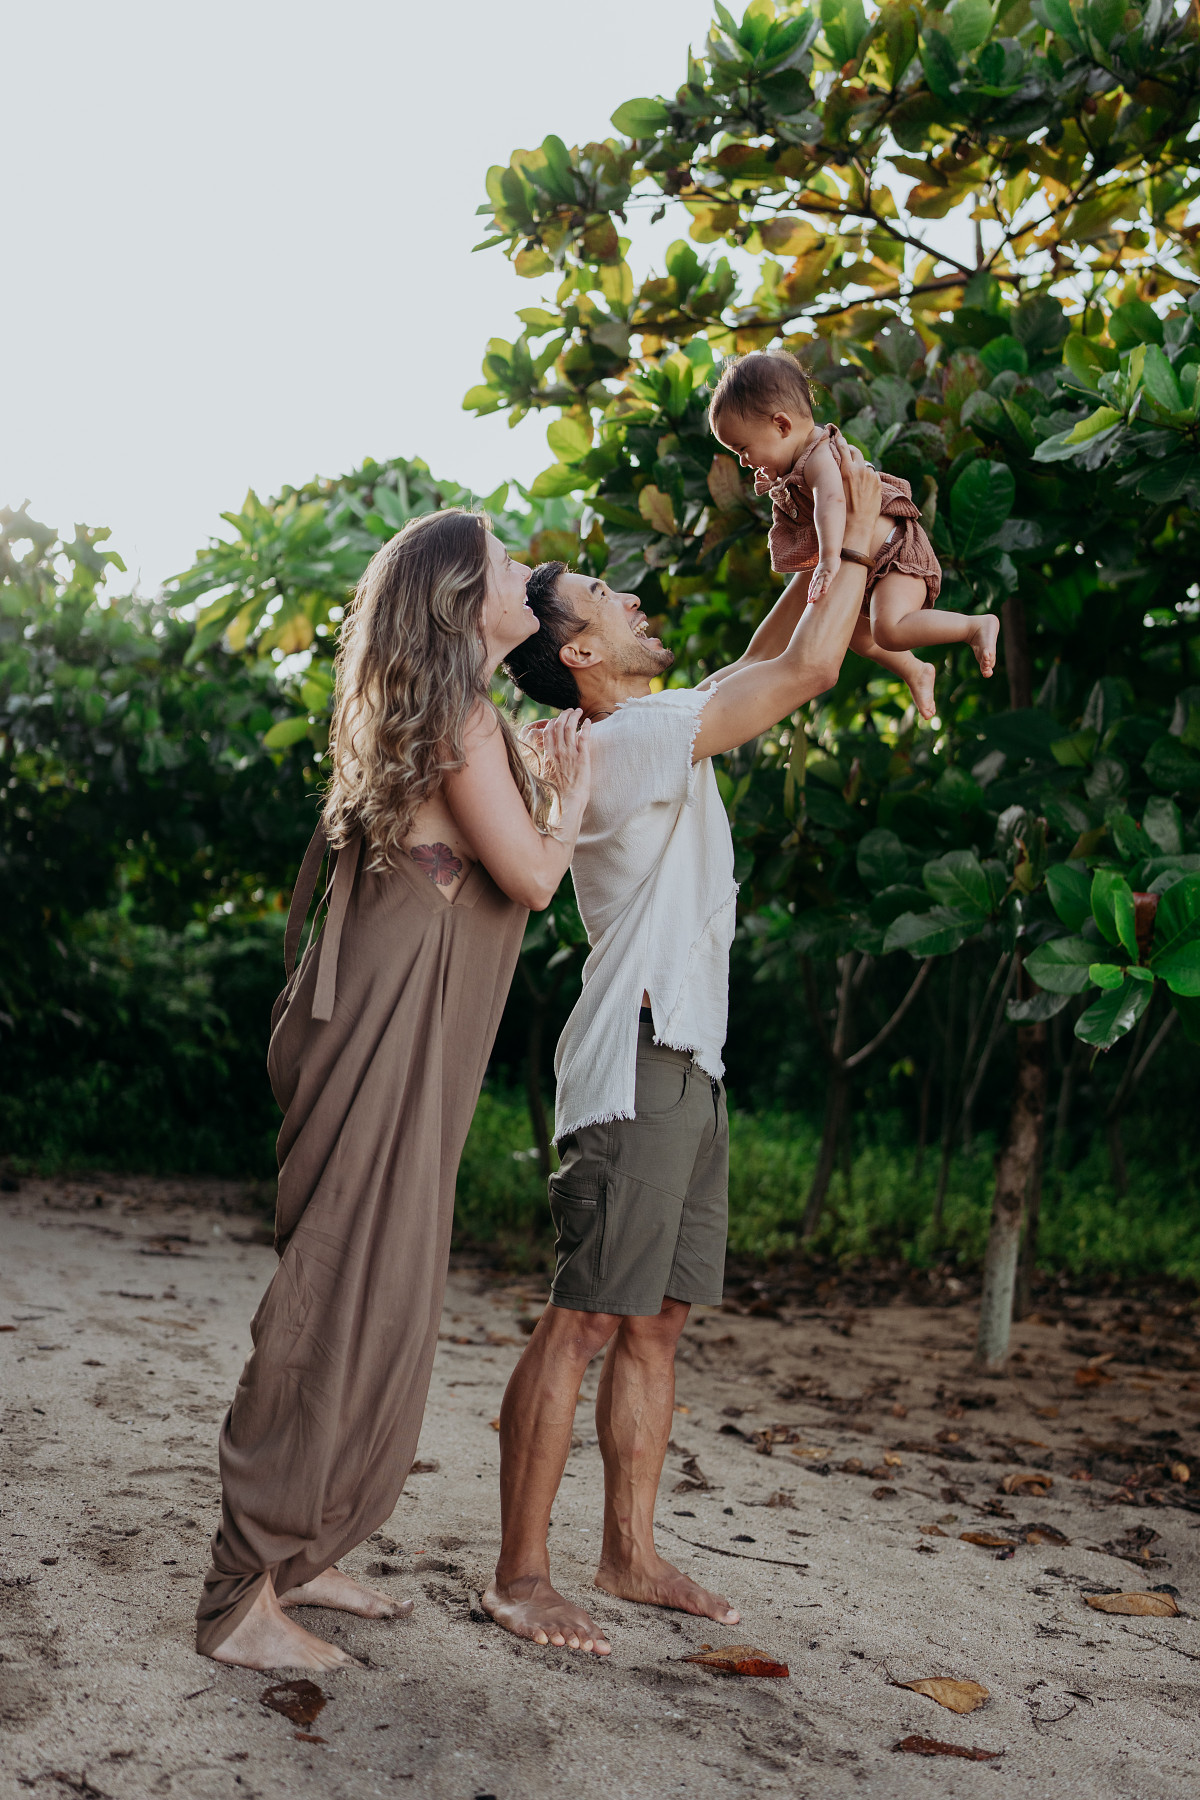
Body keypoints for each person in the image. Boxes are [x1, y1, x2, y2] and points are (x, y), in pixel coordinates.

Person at [481, 444, 884, 1657]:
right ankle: (519, 1575)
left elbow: (759, 662)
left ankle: (630, 1555)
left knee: (654, 1323)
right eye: (604, 596)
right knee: (585, 1319)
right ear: (579, 654)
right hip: (639, 1062)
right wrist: (849, 529)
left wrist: (808, 558)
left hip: (690, 1058)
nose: (632, 597)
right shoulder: (634, 741)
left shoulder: (647, 726)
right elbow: (808, 668)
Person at [195, 508, 591, 1671]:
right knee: (340, 1285)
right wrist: (567, 801)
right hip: (380, 1027)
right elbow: (531, 877)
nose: (527, 575)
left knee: (376, 1284)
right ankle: (239, 1596)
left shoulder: (451, 712)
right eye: (507, 563)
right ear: (464, 600)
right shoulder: (459, 718)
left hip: (387, 1019)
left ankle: (300, 1551)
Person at [708, 350, 1000, 722]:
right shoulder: (795, 462)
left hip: (895, 555)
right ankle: (914, 669)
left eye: (743, 449)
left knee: (888, 630)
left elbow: (830, 502)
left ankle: (973, 626)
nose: (743, 461)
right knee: (857, 636)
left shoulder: (819, 456)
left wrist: (830, 558)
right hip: (867, 564)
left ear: (781, 425)